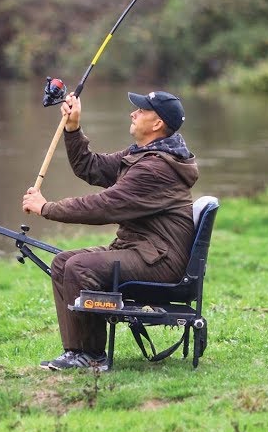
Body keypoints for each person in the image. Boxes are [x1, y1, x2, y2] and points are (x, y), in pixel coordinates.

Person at [21, 90, 199, 371]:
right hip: (142, 251)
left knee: (80, 267)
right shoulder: (142, 156)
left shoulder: (155, 169)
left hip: (160, 262)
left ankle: (92, 355)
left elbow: (105, 206)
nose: (133, 113)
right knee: (63, 263)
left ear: (157, 124)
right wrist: (73, 128)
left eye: (141, 110)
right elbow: (90, 167)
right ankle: (76, 351)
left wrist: (47, 208)